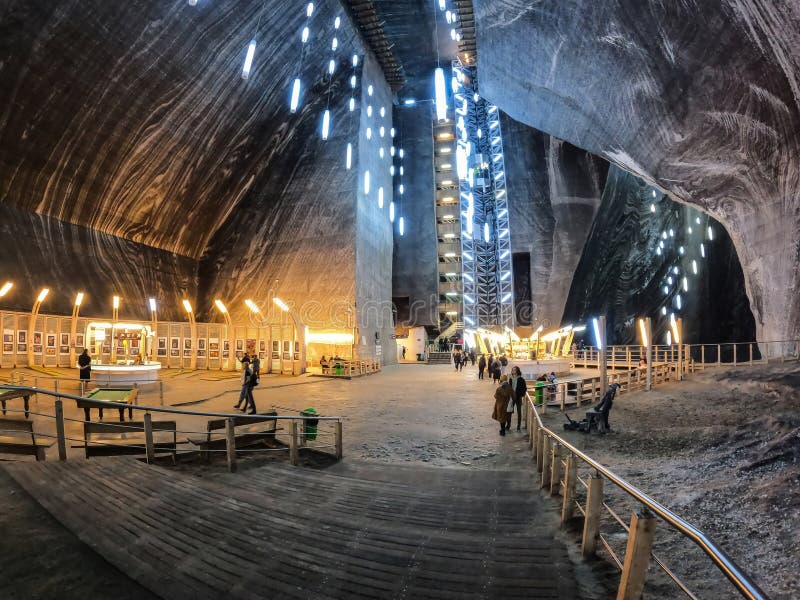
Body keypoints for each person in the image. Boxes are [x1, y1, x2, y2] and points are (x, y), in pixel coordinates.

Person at [509, 365, 527, 431]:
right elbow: (509, 388)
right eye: (512, 369)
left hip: (518, 397)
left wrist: (521, 395)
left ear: (517, 371)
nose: (513, 371)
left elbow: (524, 388)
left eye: (514, 369)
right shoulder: (510, 379)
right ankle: (508, 425)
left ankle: (518, 426)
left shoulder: (521, 379)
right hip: (512, 397)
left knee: (519, 412)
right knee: (509, 411)